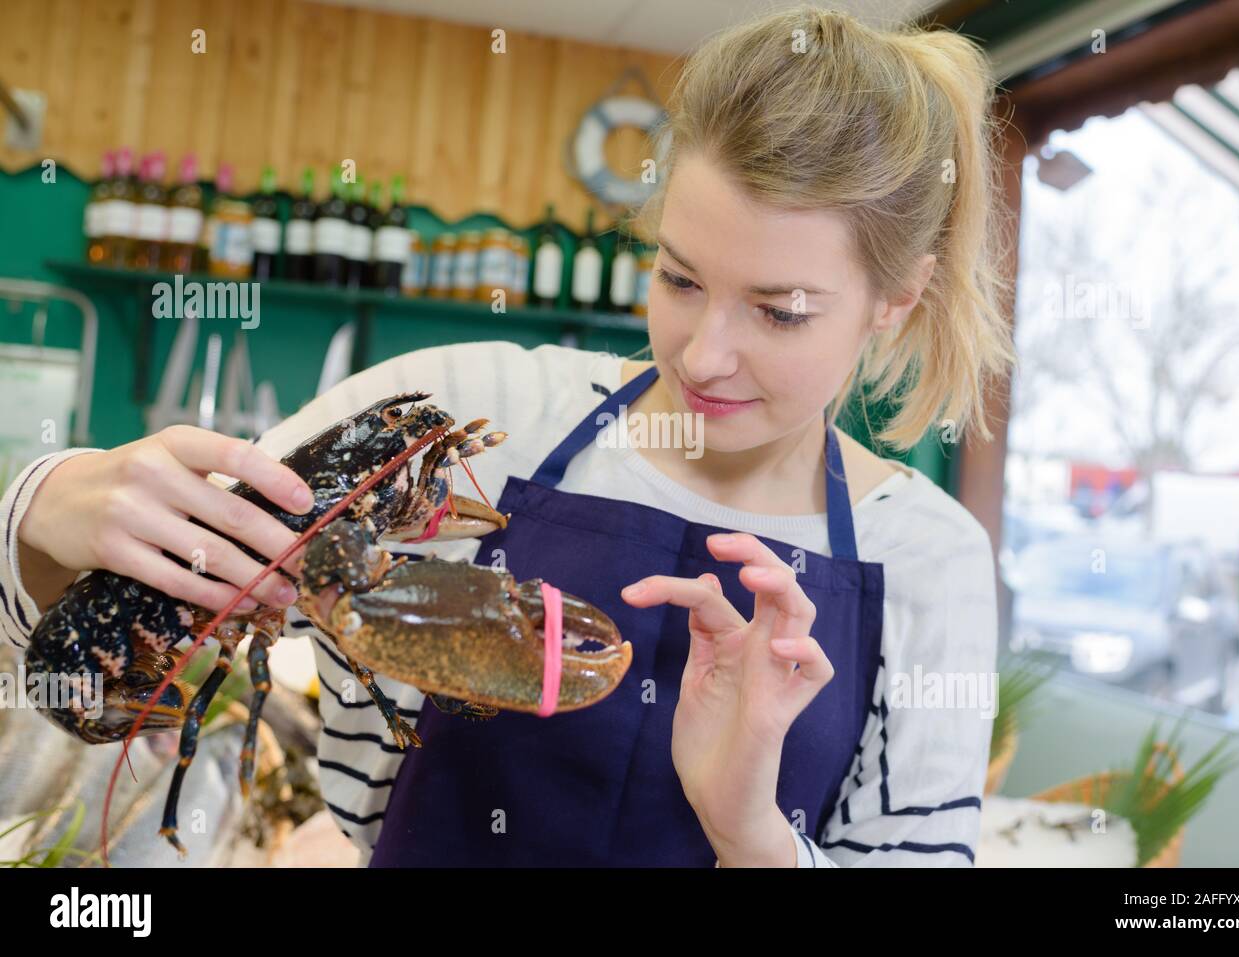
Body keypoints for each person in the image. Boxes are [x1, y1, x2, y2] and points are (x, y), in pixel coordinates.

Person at [1, 6, 1014, 866]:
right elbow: (110, 616)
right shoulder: (462, 413)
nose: (704, 356)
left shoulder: (926, 558)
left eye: (780, 310)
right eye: (679, 279)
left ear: (895, 299)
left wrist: (746, 823)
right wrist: (45, 510)